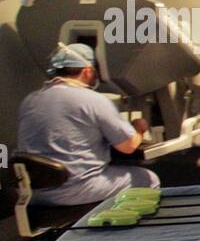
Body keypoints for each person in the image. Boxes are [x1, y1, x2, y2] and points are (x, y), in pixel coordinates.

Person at [16, 43, 158, 205]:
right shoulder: (93, 100)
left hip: (33, 193)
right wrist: (139, 127)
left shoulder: (30, 100)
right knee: (147, 179)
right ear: (87, 71)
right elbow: (128, 146)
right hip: (75, 190)